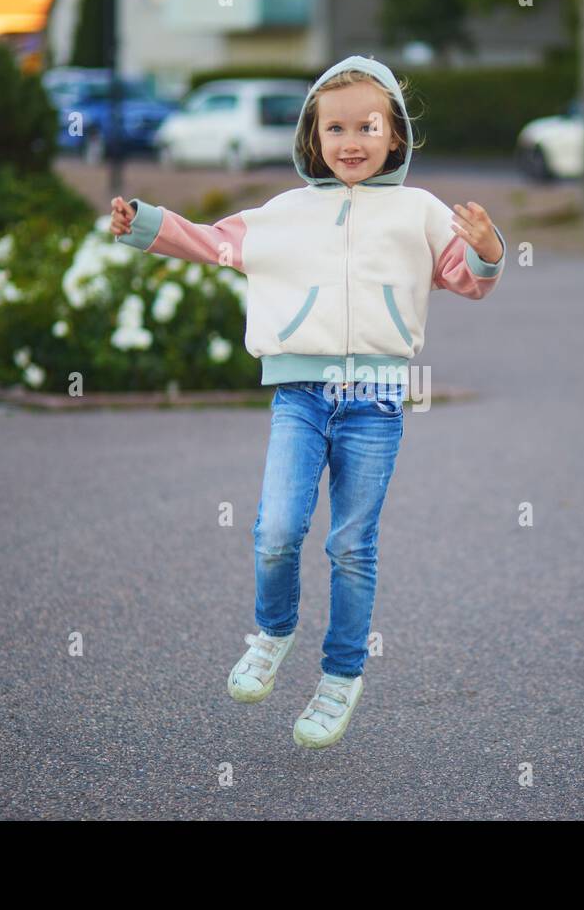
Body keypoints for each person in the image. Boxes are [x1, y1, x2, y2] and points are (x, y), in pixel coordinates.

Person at [110, 55, 507, 749]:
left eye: (367, 126)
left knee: (352, 544)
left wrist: (487, 253)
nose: (350, 141)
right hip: (299, 395)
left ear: (395, 136)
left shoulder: (420, 211)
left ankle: (341, 676)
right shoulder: (284, 213)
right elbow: (211, 244)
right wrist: (144, 223)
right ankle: (273, 632)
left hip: (376, 401)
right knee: (276, 531)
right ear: (312, 138)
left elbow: (465, 280)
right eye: (335, 128)